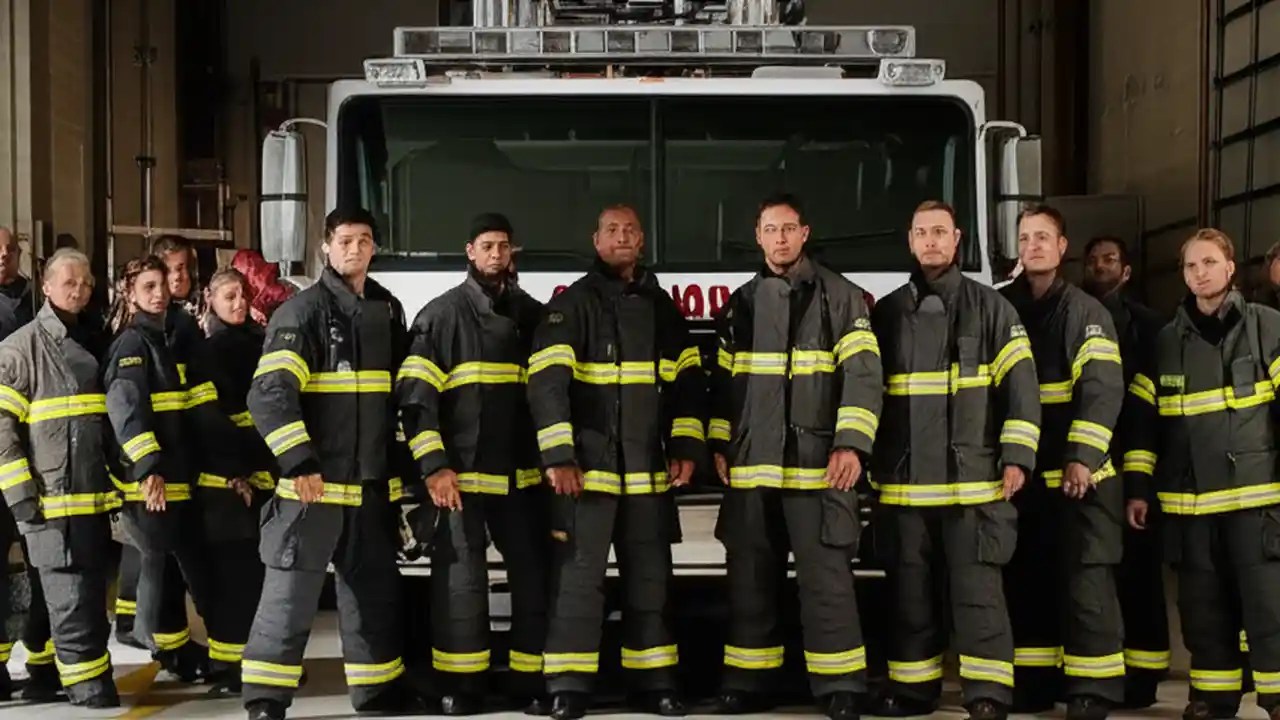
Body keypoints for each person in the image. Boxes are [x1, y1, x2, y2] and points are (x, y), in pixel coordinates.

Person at [240, 207, 419, 720]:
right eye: (345, 240)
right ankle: (266, 700)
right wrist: (299, 462)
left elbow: (401, 398)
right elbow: (269, 394)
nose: (355, 249)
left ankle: (377, 692)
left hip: (368, 492)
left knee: (372, 599)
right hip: (311, 493)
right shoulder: (302, 313)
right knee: (288, 600)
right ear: (325, 247)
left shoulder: (387, 311)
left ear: (374, 248)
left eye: (364, 241)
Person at [707, 193, 881, 720]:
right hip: (753, 467)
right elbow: (723, 386)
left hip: (819, 467)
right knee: (750, 581)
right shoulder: (739, 304)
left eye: (788, 229)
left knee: (826, 582)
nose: (779, 239)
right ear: (757, 237)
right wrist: (720, 443)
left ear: (804, 233)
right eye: (769, 229)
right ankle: (747, 682)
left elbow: (864, 379)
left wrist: (851, 444)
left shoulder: (843, 298)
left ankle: (841, 686)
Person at [527, 204, 704, 720]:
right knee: (578, 585)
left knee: (651, 582)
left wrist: (688, 448)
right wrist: (558, 456)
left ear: (642, 241)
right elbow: (547, 387)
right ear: (596, 239)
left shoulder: (661, 308)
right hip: (586, 476)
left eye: (630, 230)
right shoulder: (570, 307)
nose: (621, 237)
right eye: (611, 230)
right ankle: (568, 688)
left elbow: (687, 384)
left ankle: (655, 685)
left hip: (649, 475)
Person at [869, 200, 1039, 720]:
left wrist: (1017, 457)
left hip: (975, 485)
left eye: (939, 231)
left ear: (957, 237)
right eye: (922, 232)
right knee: (910, 596)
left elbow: (1022, 391)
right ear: (911, 240)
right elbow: (866, 393)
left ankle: (987, 694)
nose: (931, 241)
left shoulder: (993, 309)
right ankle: (914, 691)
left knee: (978, 596)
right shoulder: (887, 312)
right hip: (905, 486)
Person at [1124, 228, 1280, 720]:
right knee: (1203, 611)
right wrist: (1138, 489)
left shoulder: (1268, 327)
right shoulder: (1166, 341)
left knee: (1269, 608)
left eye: (1210, 263)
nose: (1200, 273)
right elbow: (1144, 426)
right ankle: (1214, 698)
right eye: (1192, 266)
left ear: (1231, 268)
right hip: (1191, 507)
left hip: (1258, 503)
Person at [397, 213, 550, 716]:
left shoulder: (534, 316)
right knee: (461, 583)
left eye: (504, 246)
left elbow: (550, 397)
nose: (496, 255)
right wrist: (435, 466)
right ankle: (462, 687)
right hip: (458, 479)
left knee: (533, 575)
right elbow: (416, 401)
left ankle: (530, 680)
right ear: (469, 252)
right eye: (487, 246)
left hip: (522, 478)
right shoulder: (441, 317)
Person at [1000, 206, 1126, 719]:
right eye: (1025, 237)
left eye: (1043, 237)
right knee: (1026, 580)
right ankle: (1032, 684)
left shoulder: (1085, 312)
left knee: (1086, 585)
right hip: (1024, 473)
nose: (1033, 246)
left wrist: (1082, 458)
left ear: (1061, 246)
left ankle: (1093, 689)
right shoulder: (999, 307)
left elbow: (1101, 390)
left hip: (1080, 477)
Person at [0, 249, 119, 707]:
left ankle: (61, 672)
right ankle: (89, 686)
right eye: (69, 281)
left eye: (86, 282)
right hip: (49, 507)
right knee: (71, 600)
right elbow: (3, 433)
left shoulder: (95, 342)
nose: (79, 288)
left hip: (88, 504)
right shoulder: (20, 350)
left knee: (85, 598)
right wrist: (21, 497)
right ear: (45, 287)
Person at [103, 255, 217, 678]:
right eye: (148, 287)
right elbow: (126, 411)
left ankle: (174, 650)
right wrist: (149, 467)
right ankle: (161, 645)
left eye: (161, 285)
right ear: (131, 295)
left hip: (173, 474)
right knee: (161, 564)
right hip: (153, 479)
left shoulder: (164, 339)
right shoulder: (134, 344)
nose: (158, 293)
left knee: (169, 567)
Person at [1082, 235, 1172, 707]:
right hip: (1083, 466)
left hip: (1132, 462)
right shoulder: (1070, 315)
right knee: (1090, 574)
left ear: (1128, 270)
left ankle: (1143, 677)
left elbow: (1149, 413)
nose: (1101, 266)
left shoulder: (1150, 327)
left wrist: (1141, 482)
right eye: (1093, 259)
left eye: (1110, 259)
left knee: (1138, 576)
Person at [197, 268, 273, 697]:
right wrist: (234, 472)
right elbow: (211, 420)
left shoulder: (257, 344)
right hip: (226, 485)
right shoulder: (210, 351)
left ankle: (256, 662)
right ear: (210, 299)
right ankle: (229, 667)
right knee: (232, 581)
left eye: (242, 295)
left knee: (258, 579)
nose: (239, 303)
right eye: (229, 296)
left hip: (259, 478)